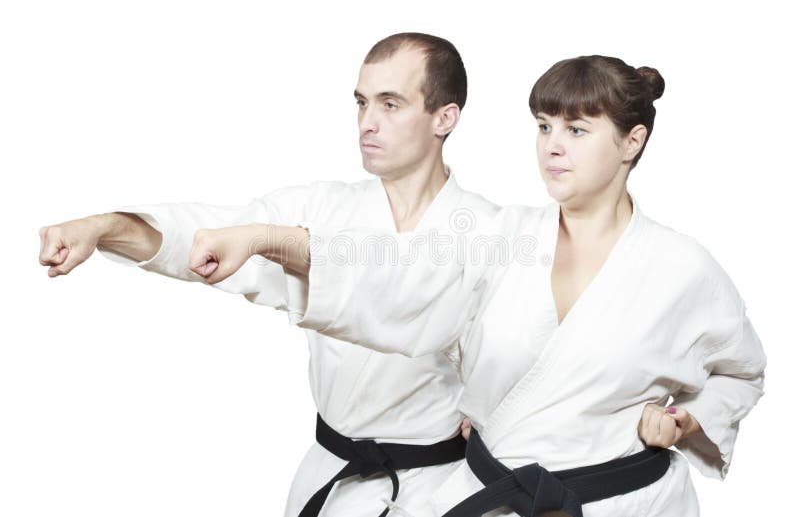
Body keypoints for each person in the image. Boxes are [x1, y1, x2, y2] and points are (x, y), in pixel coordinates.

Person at [194, 55, 766, 516]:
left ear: (631, 142)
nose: (552, 146)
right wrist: (275, 240)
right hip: (492, 498)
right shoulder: (501, 238)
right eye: (543, 127)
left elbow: (741, 371)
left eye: (576, 129)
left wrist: (689, 419)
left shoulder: (682, 267)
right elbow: (397, 291)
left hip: (627, 504)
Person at [38, 33, 503, 517]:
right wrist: (105, 227)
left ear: (444, 117)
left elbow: (511, 356)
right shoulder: (322, 207)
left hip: (437, 489)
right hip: (330, 478)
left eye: (390, 104)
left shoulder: (490, 233)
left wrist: (491, 410)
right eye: (362, 103)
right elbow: (206, 237)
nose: (368, 122)